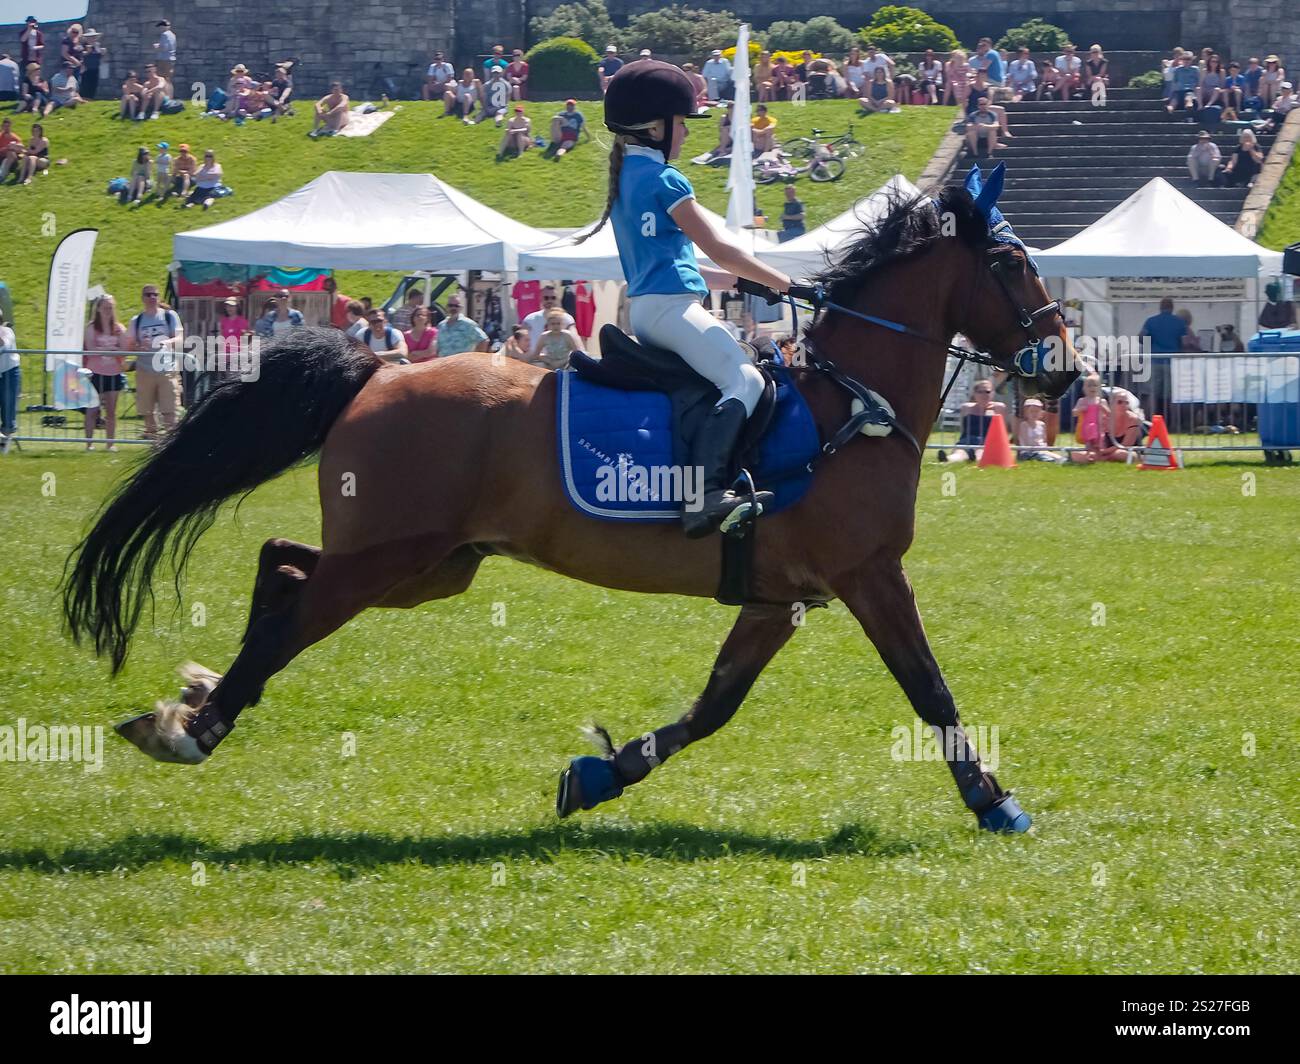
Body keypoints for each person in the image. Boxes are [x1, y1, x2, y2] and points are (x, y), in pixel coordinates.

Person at [585, 60, 797, 536]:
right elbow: (719, 247)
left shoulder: (625, 181)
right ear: (655, 126)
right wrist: (789, 283)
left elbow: (682, 269)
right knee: (745, 380)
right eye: (680, 124)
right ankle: (706, 495)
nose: (684, 134)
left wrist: (740, 283)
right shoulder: (667, 181)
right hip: (672, 311)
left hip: (652, 309)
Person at [127, 284, 182, 438]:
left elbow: (180, 337)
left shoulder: (169, 316)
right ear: (142, 298)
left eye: (155, 294)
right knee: (147, 413)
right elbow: (129, 346)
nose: (152, 297)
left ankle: (171, 444)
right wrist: (139, 346)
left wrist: (167, 342)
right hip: (145, 370)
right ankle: (153, 444)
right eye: (148, 295)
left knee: (170, 412)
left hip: (167, 369)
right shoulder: (136, 321)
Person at [83, 294, 129, 450]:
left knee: (111, 411)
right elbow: (90, 349)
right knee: (92, 410)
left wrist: (108, 350)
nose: (108, 310)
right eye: (105, 308)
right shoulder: (91, 327)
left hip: (114, 373)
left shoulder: (118, 328)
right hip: (96, 373)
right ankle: (89, 444)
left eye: (111, 307)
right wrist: (110, 349)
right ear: (99, 309)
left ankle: (110, 444)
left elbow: (124, 350)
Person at [938, 379, 1006, 462]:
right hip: (967, 439)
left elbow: (1002, 431)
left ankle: (974, 458)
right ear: (974, 394)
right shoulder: (967, 408)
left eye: (987, 392)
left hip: (986, 442)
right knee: (959, 453)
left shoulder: (998, 408)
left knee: (980, 452)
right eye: (980, 392)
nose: (984, 395)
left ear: (993, 393)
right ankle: (948, 459)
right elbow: (963, 429)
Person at [1069, 373, 1109, 462]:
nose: (1092, 388)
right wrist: (1081, 409)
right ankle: (1089, 456)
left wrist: (1103, 407)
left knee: (1100, 443)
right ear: (1084, 388)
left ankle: (1099, 456)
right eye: (1089, 386)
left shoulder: (1102, 401)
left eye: (1095, 385)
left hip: (1099, 427)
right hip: (1087, 427)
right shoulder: (1082, 400)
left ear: (1099, 388)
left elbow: (1109, 413)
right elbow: (1074, 413)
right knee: (1089, 444)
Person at [1098, 387, 1145, 461]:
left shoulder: (1133, 419)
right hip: (1108, 452)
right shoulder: (1105, 418)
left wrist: (1104, 452)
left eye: (1126, 403)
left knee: (1119, 454)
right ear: (1111, 404)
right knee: (1078, 455)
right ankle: (1104, 458)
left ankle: (1104, 458)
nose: (1124, 405)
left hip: (1130, 451)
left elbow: (1125, 445)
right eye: (1120, 402)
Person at [0, 306, 19, 451]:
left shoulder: (7, 331)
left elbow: (4, 345)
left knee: (8, 411)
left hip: (8, 373)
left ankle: (4, 449)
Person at [154, 19, 176, 93]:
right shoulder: (173, 35)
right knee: (168, 80)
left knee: (162, 79)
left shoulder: (164, 35)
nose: (159, 29)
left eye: (160, 27)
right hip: (171, 59)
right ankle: (169, 97)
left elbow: (164, 48)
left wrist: (157, 46)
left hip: (164, 60)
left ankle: (164, 96)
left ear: (163, 27)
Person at [0, 117, 22, 182]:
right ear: (2, 127)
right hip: (1, 157)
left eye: (8, 126)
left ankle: (1, 176)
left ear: (10, 127)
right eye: (5, 126)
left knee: (10, 153)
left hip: (12, 160)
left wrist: (15, 147)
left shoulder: (15, 138)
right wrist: (5, 148)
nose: (6, 128)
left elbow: (22, 150)